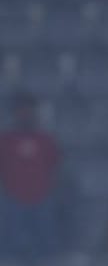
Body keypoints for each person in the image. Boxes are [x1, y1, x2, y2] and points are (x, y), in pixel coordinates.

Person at [0, 91, 63, 255]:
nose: (25, 114)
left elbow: (55, 167)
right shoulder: (5, 141)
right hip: (13, 199)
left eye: (29, 110)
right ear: (14, 113)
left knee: (47, 244)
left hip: (42, 198)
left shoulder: (46, 140)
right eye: (21, 110)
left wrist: (49, 190)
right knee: (11, 245)